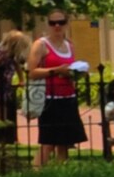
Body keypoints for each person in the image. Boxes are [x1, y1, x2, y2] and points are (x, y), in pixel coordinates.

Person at [31, 15, 85, 164]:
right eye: (52, 23)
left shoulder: (69, 45)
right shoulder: (40, 45)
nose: (57, 26)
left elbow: (69, 70)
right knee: (48, 142)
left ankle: (61, 173)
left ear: (66, 24)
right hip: (50, 98)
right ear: (47, 24)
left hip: (68, 97)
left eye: (61, 22)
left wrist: (75, 73)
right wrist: (56, 70)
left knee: (65, 142)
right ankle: (35, 172)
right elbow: (32, 72)